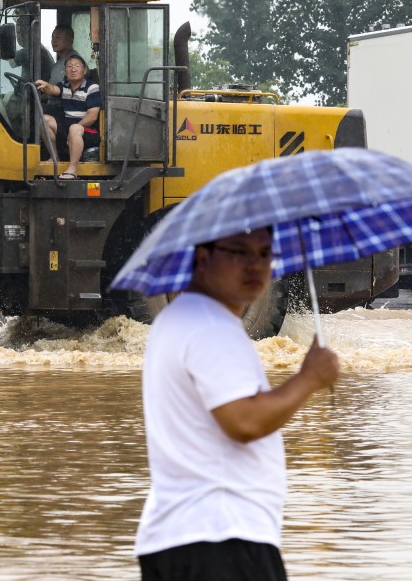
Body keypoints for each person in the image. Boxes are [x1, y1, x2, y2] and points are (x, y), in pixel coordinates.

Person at [135, 227, 341, 581]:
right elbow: (243, 421)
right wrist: (309, 378)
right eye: (240, 252)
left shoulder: (179, 317)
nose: (255, 266)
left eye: (264, 254)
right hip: (220, 539)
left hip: (182, 536)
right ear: (202, 258)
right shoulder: (209, 326)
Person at [35, 54, 101, 179]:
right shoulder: (64, 85)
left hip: (87, 131)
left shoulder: (92, 88)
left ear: (84, 70)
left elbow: (92, 116)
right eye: (69, 67)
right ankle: (54, 158)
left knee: (74, 129)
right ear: (65, 71)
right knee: (44, 120)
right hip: (68, 127)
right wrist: (45, 85)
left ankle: (72, 169)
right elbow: (53, 89)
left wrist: (75, 130)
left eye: (77, 66)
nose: (73, 69)